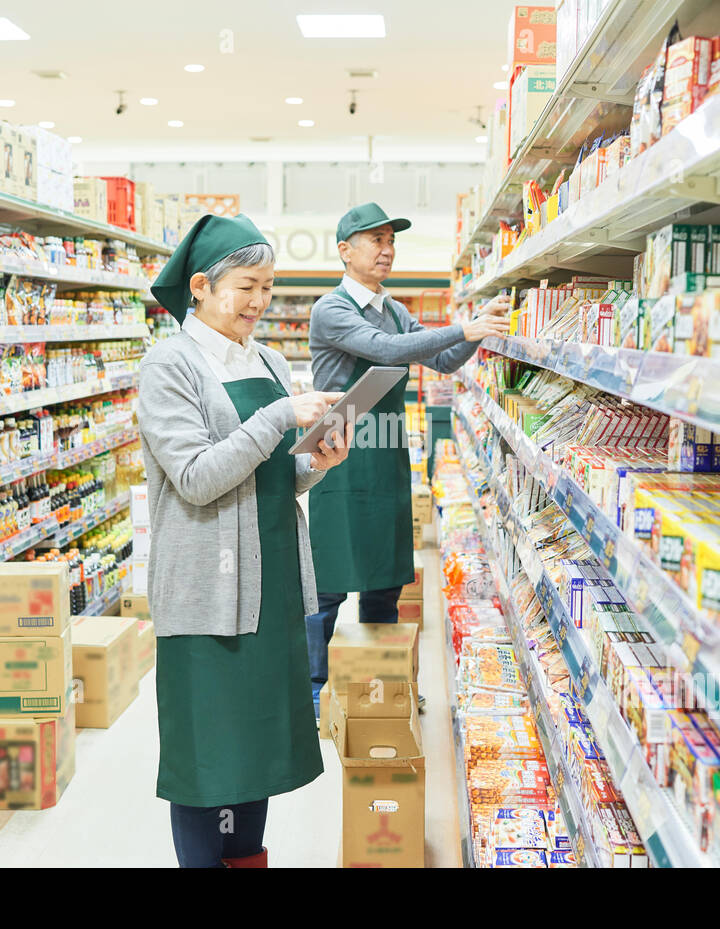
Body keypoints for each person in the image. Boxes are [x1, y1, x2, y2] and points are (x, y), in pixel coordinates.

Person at [140, 213, 352, 868]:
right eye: (247, 287)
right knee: (208, 763)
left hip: (270, 588)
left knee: (255, 756)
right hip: (206, 596)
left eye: (267, 286)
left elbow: (270, 474)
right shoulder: (168, 364)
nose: (259, 302)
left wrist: (318, 461)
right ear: (201, 286)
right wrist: (279, 414)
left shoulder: (267, 357)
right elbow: (200, 478)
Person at [305, 202, 510, 712]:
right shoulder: (332, 309)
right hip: (338, 449)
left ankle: (385, 686)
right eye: (375, 240)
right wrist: (464, 328)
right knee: (328, 583)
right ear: (344, 251)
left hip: (387, 452)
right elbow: (389, 350)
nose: (387, 248)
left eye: (390, 240)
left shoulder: (394, 309)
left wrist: (482, 330)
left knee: (385, 580)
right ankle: (309, 690)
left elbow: (439, 359)